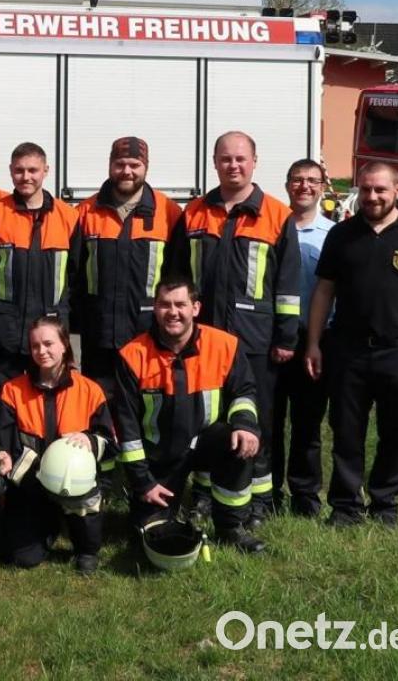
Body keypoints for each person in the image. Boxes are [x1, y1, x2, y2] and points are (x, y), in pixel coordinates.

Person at [166, 131, 301, 522]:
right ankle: (207, 494)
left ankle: (260, 500)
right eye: (226, 159)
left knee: (259, 419)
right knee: (207, 419)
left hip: (255, 339)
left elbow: (288, 287)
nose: (233, 166)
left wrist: (286, 338)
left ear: (254, 162)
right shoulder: (193, 213)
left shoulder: (277, 216)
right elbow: (176, 276)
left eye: (241, 159)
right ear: (214, 162)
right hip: (202, 338)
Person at [306, 161, 398, 527]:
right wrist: (314, 343)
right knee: (347, 430)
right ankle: (345, 507)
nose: (372, 196)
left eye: (380, 190)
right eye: (365, 189)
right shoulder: (341, 234)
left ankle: (385, 505)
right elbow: (323, 292)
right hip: (348, 349)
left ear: (397, 192)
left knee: (396, 432)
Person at [113, 278, 266, 553]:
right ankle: (156, 513)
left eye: (180, 304)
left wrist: (245, 425)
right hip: (161, 454)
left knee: (238, 441)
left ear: (195, 308)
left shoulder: (225, 345)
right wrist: (143, 482)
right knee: (150, 536)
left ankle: (230, 527)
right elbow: (127, 429)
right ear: (155, 309)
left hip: (209, 441)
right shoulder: (132, 356)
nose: (173, 312)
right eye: (165, 305)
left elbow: (244, 391)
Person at [0, 318, 115, 574]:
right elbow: (7, 445)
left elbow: (110, 441)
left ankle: (86, 548)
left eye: (49, 343)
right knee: (21, 557)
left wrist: (91, 441)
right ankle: (50, 524)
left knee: (84, 496)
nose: (42, 351)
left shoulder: (90, 391)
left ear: (64, 345)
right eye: (35, 345)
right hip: (30, 482)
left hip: (76, 484)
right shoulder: (12, 391)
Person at [73, 137, 181, 394]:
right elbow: (73, 275)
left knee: (145, 405)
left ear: (146, 166)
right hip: (98, 336)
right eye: (120, 164)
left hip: (149, 333)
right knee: (100, 408)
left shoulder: (169, 213)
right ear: (110, 165)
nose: (127, 171)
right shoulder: (85, 212)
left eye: (135, 164)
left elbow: (178, 276)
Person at [0, 142, 79, 400]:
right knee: (1, 403)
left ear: (46, 171)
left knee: (48, 401)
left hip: (48, 333)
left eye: (33, 170)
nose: (26, 177)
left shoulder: (69, 217)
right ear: (10, 171)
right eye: (19, 171)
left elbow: (75, 277)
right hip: (2, 334)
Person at [270, 159, 334, 518]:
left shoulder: (333, 234)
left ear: (323, 186)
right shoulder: (274, 226)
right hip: (275, 339)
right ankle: (270, 490)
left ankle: (305, 495)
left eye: (312, 180)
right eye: (297, 180)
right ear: (287, 185)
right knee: (271, 421)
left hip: (315, 340)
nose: (304, 186)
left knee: (308, 422)